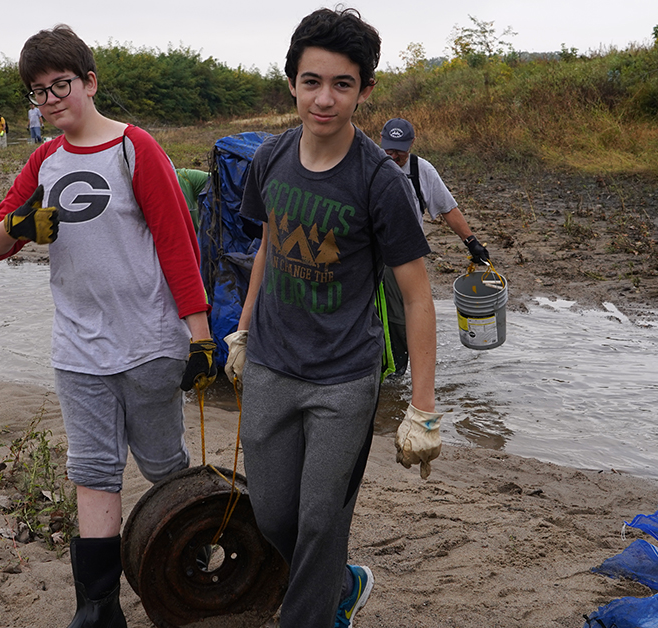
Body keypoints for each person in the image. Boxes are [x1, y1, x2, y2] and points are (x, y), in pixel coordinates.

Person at [0, 24, 216, 628]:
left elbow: (178, 247)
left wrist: (201, 338)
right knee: (92, 473)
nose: (51, 99)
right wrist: (18, 227)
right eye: (38, 91)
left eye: (61, 84)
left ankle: (192, 571)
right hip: (78, 351)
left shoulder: (135, 148)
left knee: (163, 464)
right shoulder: (44, 160)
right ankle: (98, 607)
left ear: (89, 82)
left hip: (149, 345)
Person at [222, 8, 443, 628]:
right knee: (273, 516)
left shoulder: (381, 182)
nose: (324, 99)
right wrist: (243, 329)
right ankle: (343, 584)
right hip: (270, 363)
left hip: (344, 378)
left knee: (321, 519)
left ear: (364, 90)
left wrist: (423, 408)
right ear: (291, 83)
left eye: (342, 84)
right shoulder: (270, 159)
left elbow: (418, 297)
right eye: (312, 81)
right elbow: (269, 245)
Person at [379, 117, 490, 377]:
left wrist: (471, 242)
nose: (393, 155)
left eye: (399, 150)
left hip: (406, 254)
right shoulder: (371, 165)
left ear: (412, 144)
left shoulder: (422, 170)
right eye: (389, 149)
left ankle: (396, 376)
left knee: (402, 317)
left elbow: (447, 208)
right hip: (372, 252)